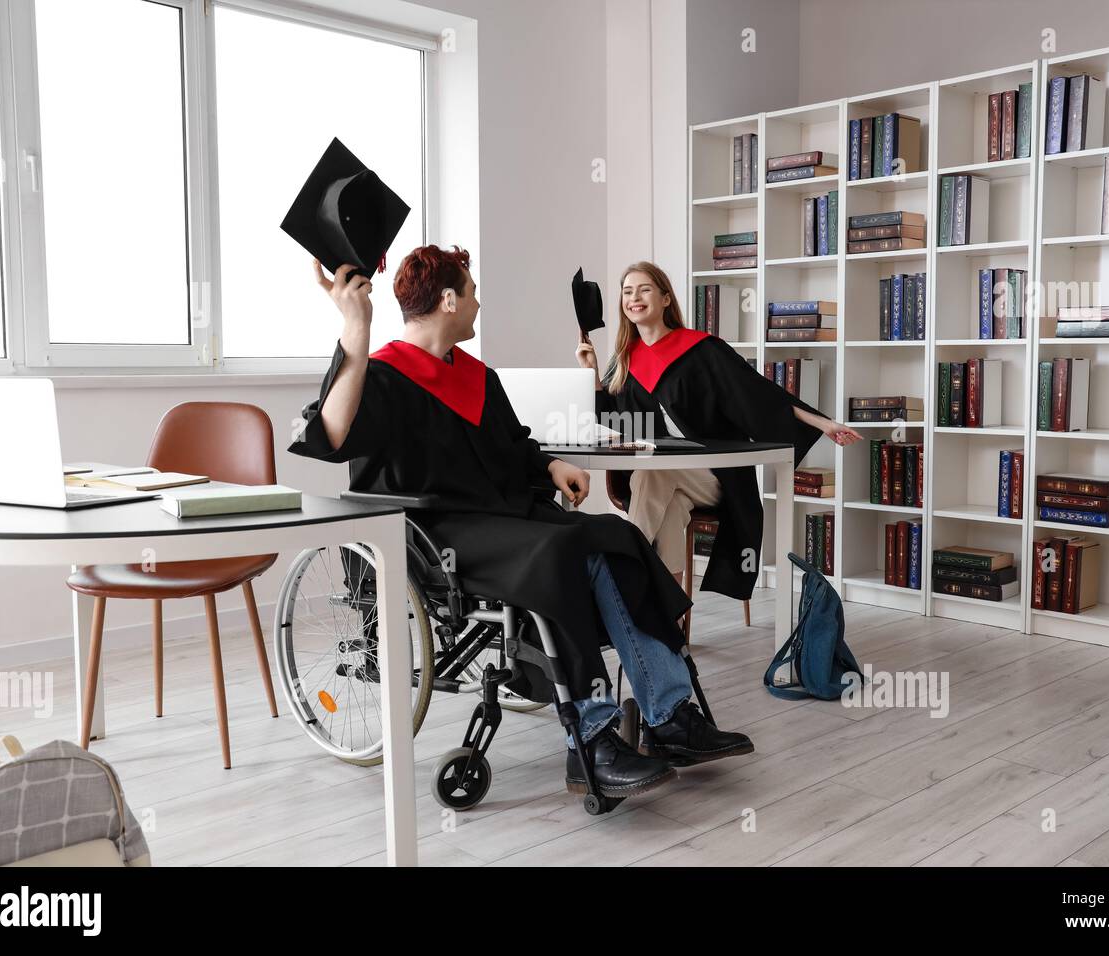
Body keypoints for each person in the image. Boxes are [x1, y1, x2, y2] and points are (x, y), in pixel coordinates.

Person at [288, 245, 754, 801]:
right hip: (438, 534)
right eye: (473, 290)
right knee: (560, 551)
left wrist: (553, 464)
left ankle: (671, 713)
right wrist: (354, 326)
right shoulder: (383, 374)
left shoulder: (478, 377)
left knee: (616, 536)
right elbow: (332, 436)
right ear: (448, 299)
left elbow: (515, 447)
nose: (479, 302)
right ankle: (593, 737)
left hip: (507, 519)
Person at [576, 261, 863, 600]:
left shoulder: (701, 350)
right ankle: (670, 624)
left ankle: (615, 577)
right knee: (666, 513)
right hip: (666, 476)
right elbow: (611, 421)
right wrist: (592, 374)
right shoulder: (624, 359)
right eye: (627, 292)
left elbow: (760, 394)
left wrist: (823, 422)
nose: (634, 298)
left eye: (644, 289)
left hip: (716, 476)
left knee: (652, 476)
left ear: (666, 298)